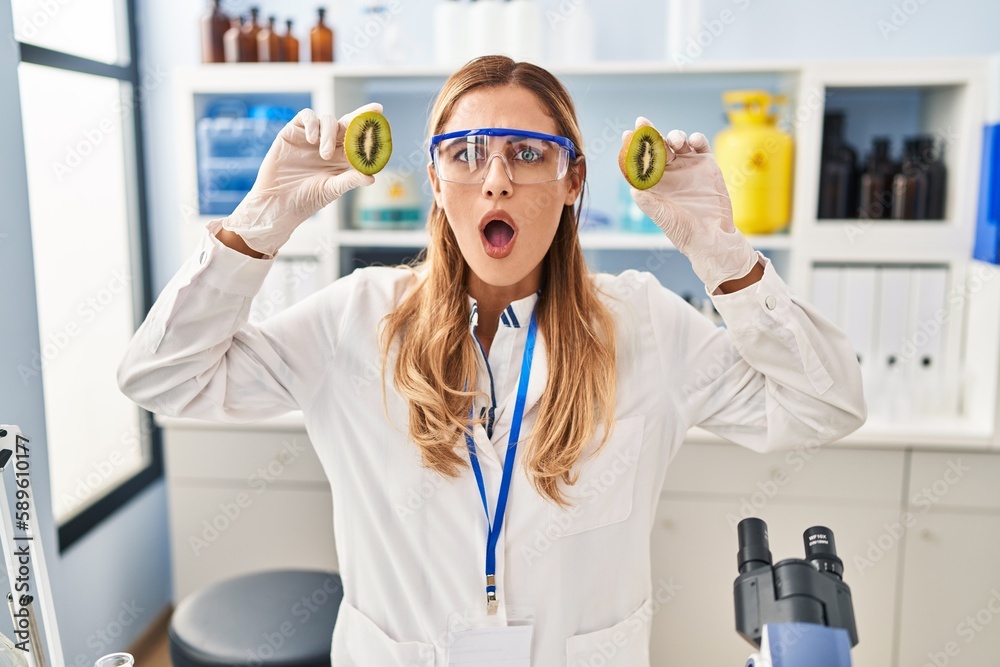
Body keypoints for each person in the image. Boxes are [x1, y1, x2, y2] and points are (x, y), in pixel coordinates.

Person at [118, 56, 866, 666]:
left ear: (574, 182)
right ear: (437, 184)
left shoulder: (645, 325)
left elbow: (825, 403)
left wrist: (720, 248)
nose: (497, 178)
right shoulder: (354, 318)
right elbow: (162, 377)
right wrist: (262, 218)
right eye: (466, 153)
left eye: (529, 153)